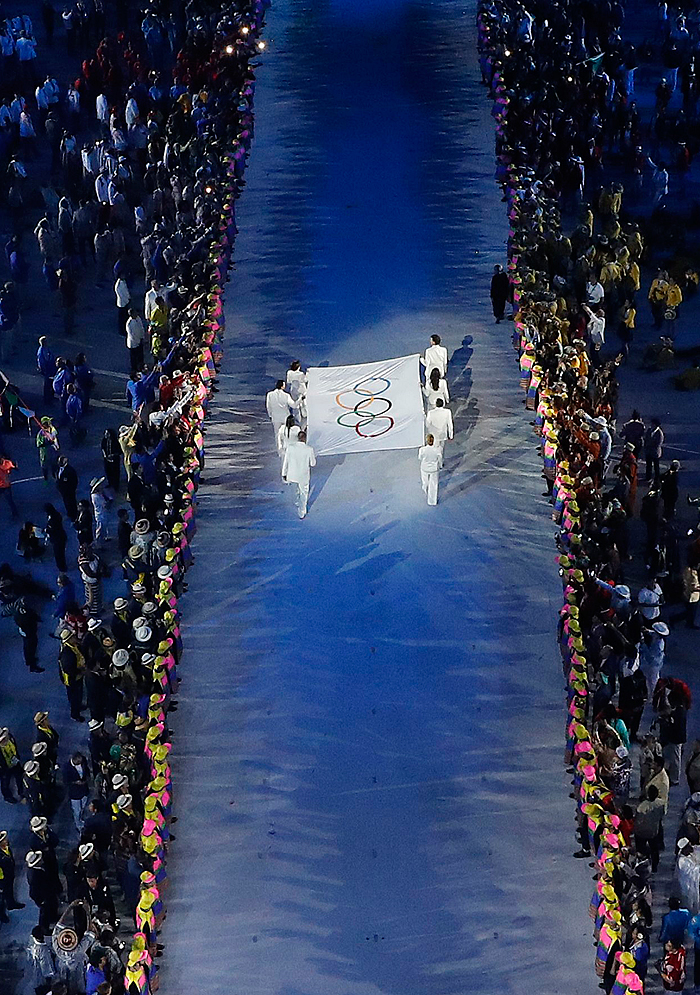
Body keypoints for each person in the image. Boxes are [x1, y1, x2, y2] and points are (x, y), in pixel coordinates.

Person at [282, 430, 316, 519]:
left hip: (292, 474)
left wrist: (284, 473)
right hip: (303, 476)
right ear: (305, 439)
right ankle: (302, 511)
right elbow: (313, 463)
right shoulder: (309, 449)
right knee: (304, 493)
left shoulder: (290, 447)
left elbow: (286, 462)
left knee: (296, 489)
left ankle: (297, 501)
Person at [634, 784, 665, 872]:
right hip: (653, 831)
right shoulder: (660, 804)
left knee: (640, 849)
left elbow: (637, 819)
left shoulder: (641, 806)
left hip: (640, 832)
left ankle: (641, 865)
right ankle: (655, 866)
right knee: (654, 849)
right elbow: (661, 816)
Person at [64, 752, 90, 832]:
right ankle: (78, 824)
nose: (80, 762)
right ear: (74, 759)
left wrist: (87, 777)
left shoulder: (83, 760)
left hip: (84, 789)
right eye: (78, 761)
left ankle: (80, 819)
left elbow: (86, 769)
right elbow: (65, 781)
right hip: (74, 793)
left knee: (83, 806)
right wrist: (75, 782)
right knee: (76, 810)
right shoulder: (66, 768)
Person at [266, 380, 296, 448]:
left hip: (275, 417)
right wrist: (300, 400)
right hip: (285, 417)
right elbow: (293, 405)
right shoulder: (286, 395)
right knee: (286, 433)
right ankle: (287, 447)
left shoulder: (270, 394)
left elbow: (268, 406)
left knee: (277, 434)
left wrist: (270, 415)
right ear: (282, 386)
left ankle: (279, 448)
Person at [27, 925, 56, 994]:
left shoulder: (32, 942)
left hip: (36, 978)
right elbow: (47, 968)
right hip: (43, 982)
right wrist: (50, 983)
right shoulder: (43, 950)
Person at [418, 434, 443, 506]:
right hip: (434, 469)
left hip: (425, 468)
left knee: (425, 481)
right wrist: (440, 466)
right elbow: (440, 459)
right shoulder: (438, 450)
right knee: (434, 484)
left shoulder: (422, 449)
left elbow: (420, 458)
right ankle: (432, 501)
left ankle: (425, 487)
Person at [0, 728, 23, 803]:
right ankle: (7, 796)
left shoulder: (10, 737)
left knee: (20, 776)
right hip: (4, 767)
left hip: (15, 761)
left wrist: (16, 757)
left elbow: (15, 747)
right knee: (5, 782)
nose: (3, 741)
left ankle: (21, 792)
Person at [55, 456, 79, 521]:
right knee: (66, 502)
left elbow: (74, 481)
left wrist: (72, 489)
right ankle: (69, 513)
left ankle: (74, 515)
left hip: (69, 491)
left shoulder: (70, 470)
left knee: (71, 502)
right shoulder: (58, 469)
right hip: (63, 491)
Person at [645, 417, 664, 483]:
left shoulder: (659, 433)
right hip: (649, 451)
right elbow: (646, 438)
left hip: (655, 452)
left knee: (656, 466)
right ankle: (648, 477)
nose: (651, 425)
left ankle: (657, 478)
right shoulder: (649, 430)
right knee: (648, 465)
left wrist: (650, 445)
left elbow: (658, 443)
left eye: (652, 424)